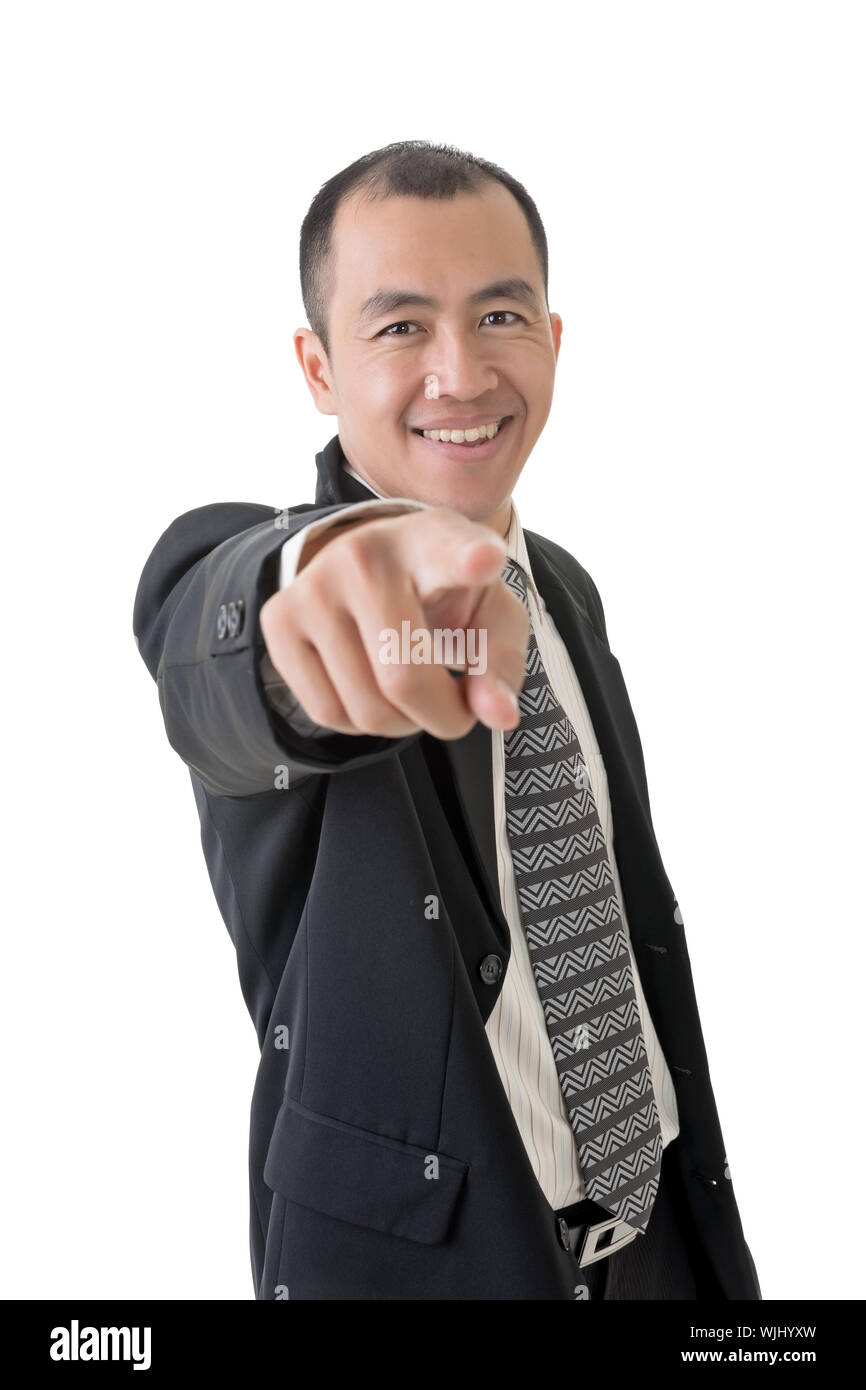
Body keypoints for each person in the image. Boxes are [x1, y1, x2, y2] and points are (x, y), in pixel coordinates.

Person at [133, 139, 761, 1301]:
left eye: (501, 316)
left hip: (662, 1238)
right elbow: (216, 635)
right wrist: (308, 577)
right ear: (318, 368)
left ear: (554, 341)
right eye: (400, 327)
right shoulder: (288, 578)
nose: (461, 373)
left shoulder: (559, 585)